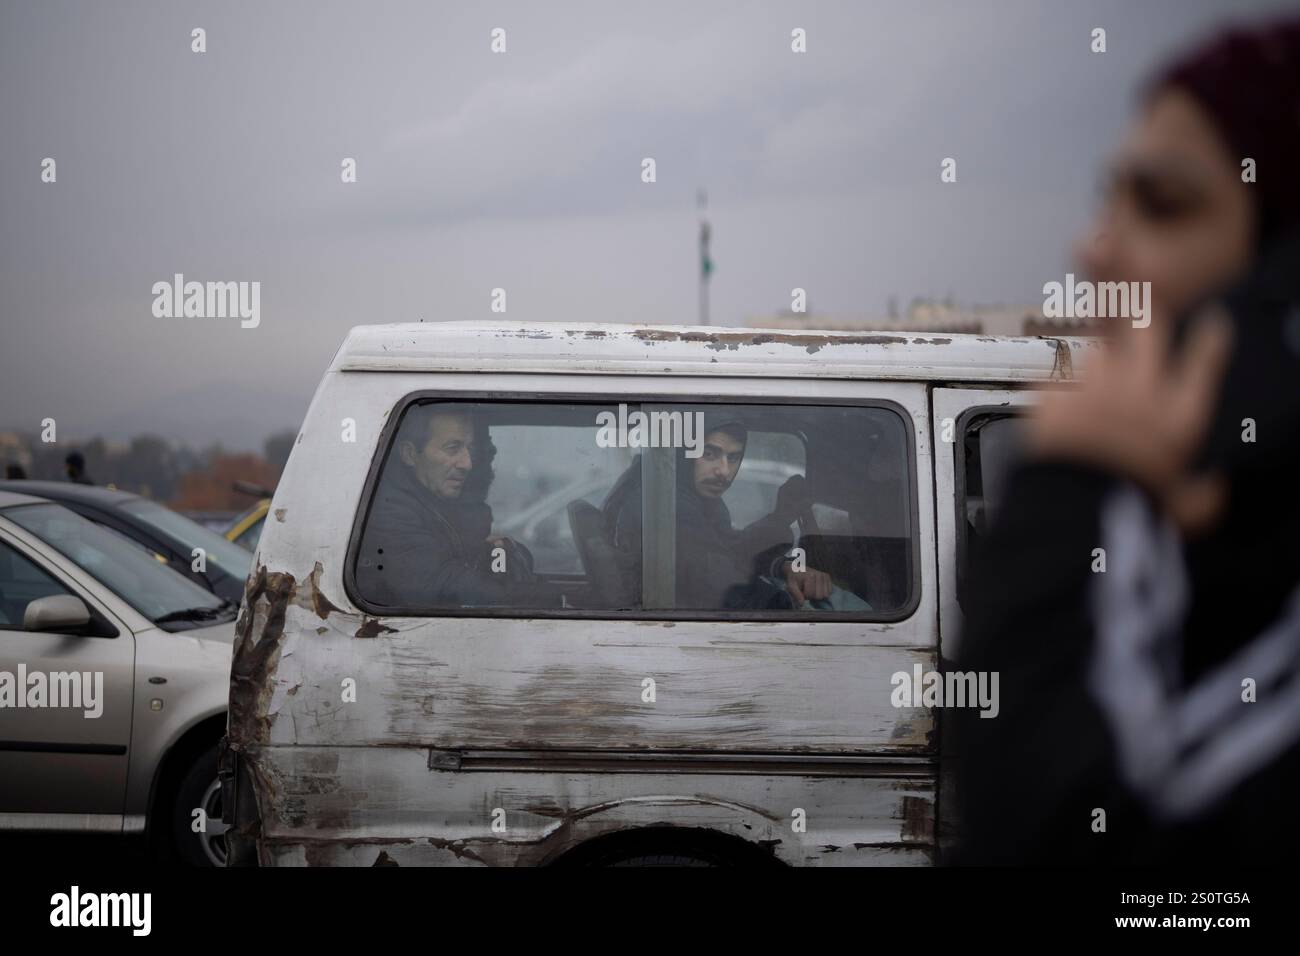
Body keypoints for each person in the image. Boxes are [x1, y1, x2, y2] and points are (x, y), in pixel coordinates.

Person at [951, 16, 1300, 865]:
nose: (1094, 249)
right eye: (1110, 199)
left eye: (1164, 203)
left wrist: (1063, 490)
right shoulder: (1186, 542)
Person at [602, 414, 833, 609]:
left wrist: (782, 561)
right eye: (710, 454)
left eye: (733, 458)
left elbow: (727, 550)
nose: (724, 471)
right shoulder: (665, 506)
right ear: (683, 454)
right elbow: (726, 588)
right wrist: (791, 606)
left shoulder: (689, 497)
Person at [355, 405, 558, 609]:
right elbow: (442, 585)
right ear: (409, 454)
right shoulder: (388, 512)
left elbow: (470, 564)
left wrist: (509, 551)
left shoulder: (443, 504)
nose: (467, 464)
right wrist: (543, 599)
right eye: (453, 448)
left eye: (470, 449)